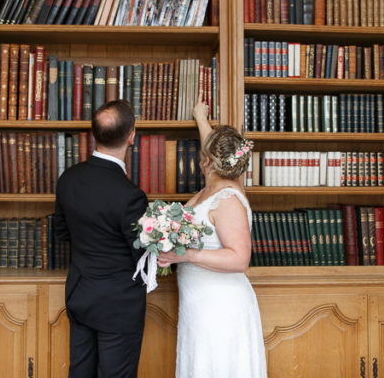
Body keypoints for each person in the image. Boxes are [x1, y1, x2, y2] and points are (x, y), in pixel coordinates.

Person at [157, 101, 267, 378]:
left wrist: (187, 255)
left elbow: (240, 258)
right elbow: (216, 148)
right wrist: (200, 117)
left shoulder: (228, 198)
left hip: (221, 307)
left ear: (207, 160)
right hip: (201, 303)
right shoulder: (214, 188)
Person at [54, 100, 148, 378]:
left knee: (80, 372)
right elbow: (141, 254)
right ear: (131, 136)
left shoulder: (68, 179)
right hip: (118, 305)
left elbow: (62, 231)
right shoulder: (130, 195)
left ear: (94, 134)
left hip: (80, 293)